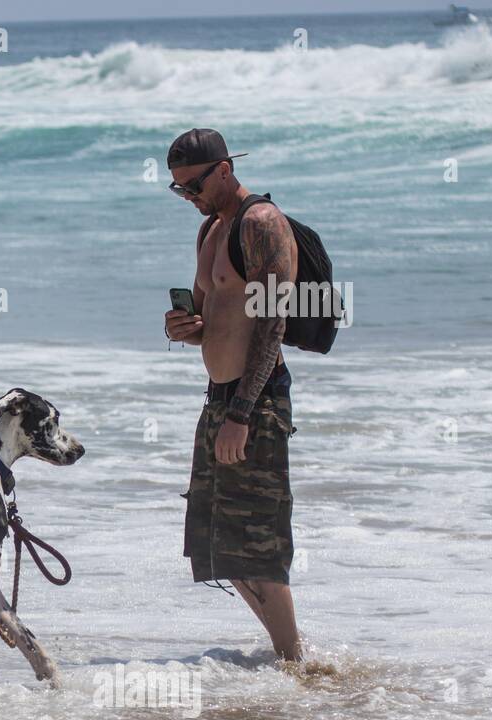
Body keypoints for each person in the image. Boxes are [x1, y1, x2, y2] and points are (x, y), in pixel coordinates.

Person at [163, 128, 302, 661]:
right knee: (215, 537)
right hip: (219, 398)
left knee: (256, 538)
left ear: (224, 169)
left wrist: (243, 413)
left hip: (255, 400)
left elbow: (271, 328)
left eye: (194, 185)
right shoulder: (209, 231)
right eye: (179, 190)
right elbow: (211, 318)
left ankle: (295, 664)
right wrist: (185, 328)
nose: (189, 198)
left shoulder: (262, 224)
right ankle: (289, 653)